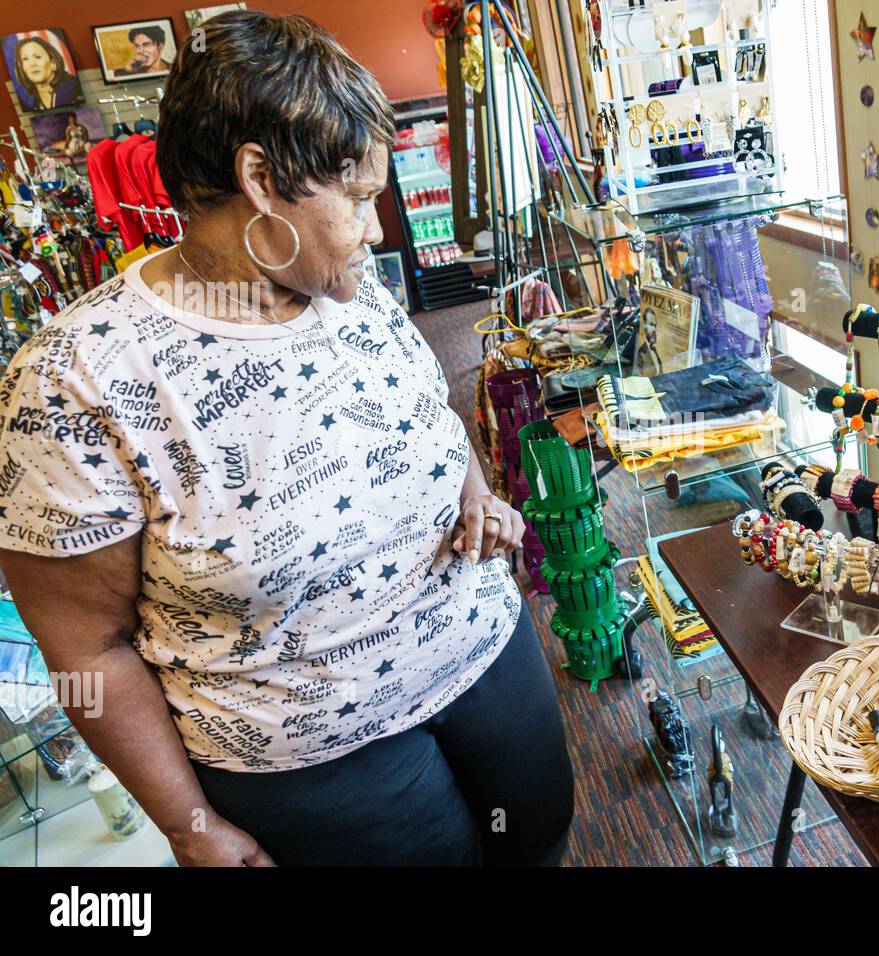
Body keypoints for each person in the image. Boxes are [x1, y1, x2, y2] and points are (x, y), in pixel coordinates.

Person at [0, 10, 573, 867]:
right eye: (359, 199)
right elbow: (85, 654)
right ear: (262, 180)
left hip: (485, 654)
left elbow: (428, 416)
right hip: (313, 761)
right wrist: (189, 827)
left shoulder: (351, 288)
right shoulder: (73, 379)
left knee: (538, 843)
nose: (376, 229)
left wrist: (477, 496)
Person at [11, 35, 82, 112]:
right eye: (25, 59)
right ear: (21, 68)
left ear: (53, 63)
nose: (32, 64)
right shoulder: (30, 104)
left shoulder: (74, 88)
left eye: (38, 57)